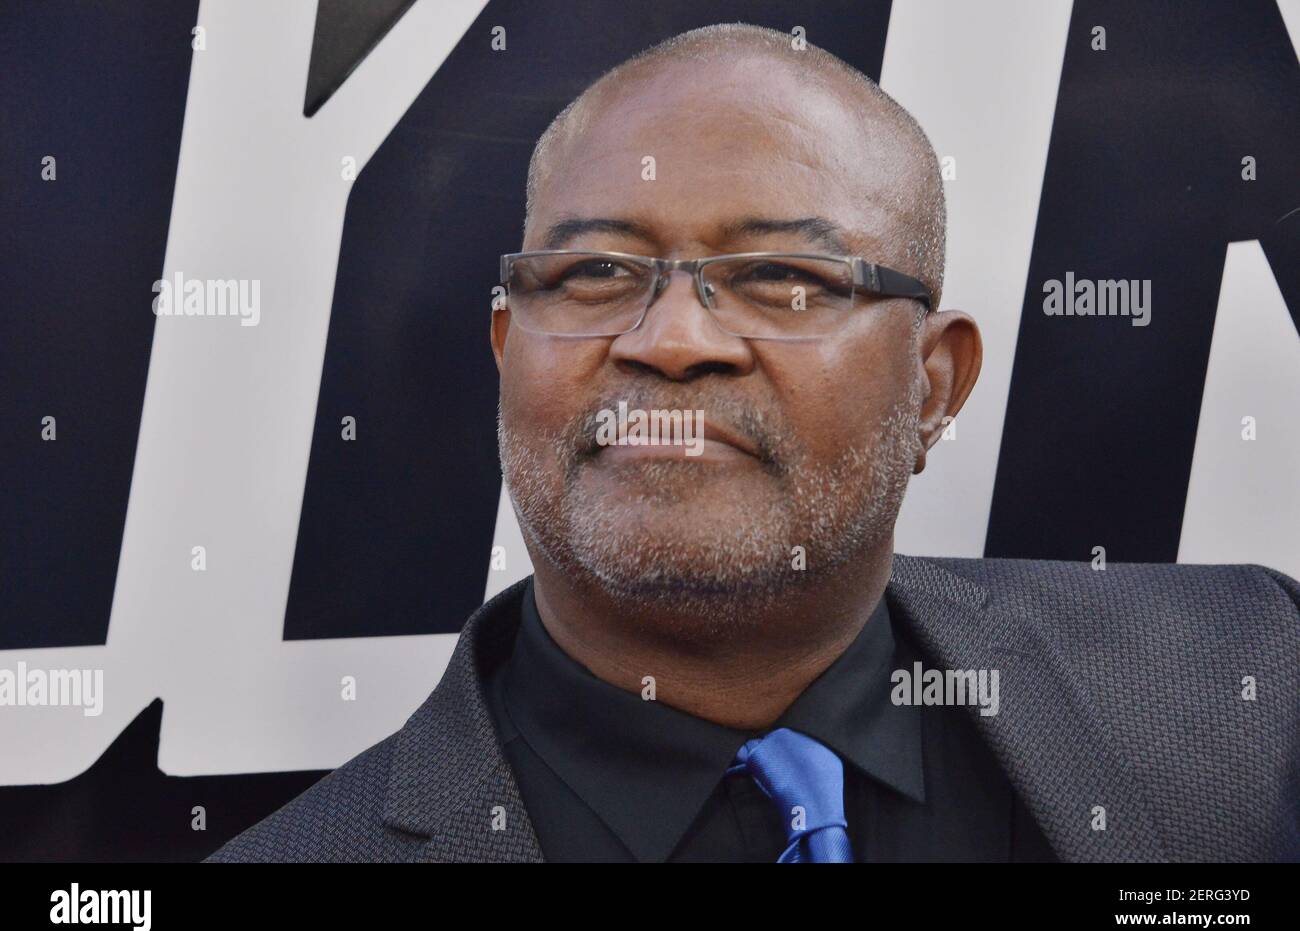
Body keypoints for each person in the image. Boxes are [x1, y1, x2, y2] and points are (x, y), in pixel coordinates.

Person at [209, 22, 1299, 863]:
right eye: (595, 273)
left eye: (783, 277)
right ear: (508, 347)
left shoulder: (1244, 684)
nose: (671, 339)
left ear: (933, 384)